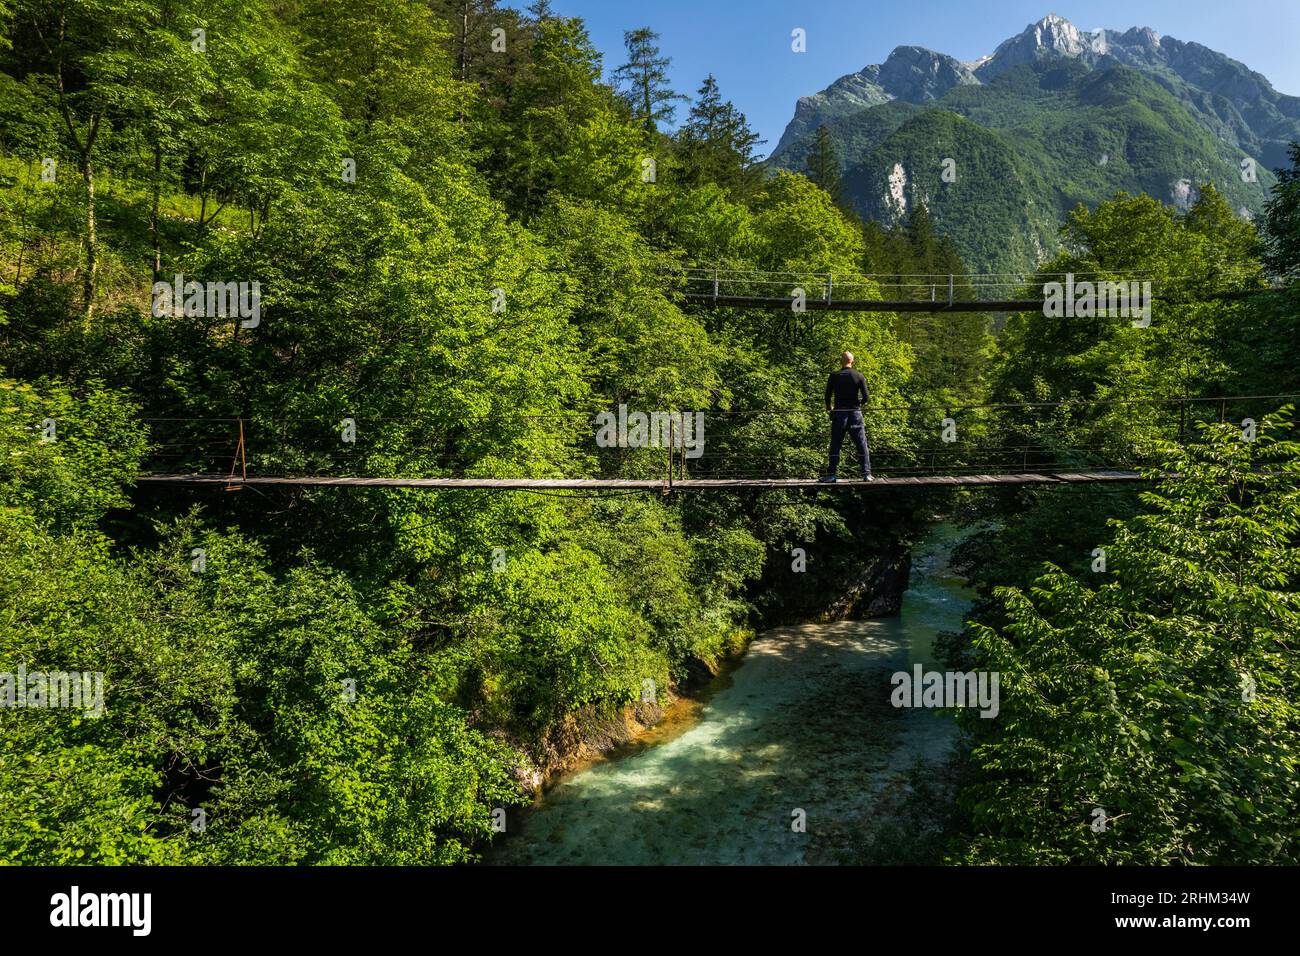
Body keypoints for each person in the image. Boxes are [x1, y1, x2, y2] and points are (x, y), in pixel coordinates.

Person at [820, 351, 873, 482]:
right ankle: (866, 474)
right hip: (855, 413)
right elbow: (866, 398)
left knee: (836, 443)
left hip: (839, 413)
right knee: (861, 443)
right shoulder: (859, 376)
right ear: (852, 362)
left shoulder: (834, 376)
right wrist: (858, 404)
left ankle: (832, 474)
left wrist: (829, 407)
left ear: (841, 362)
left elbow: (827, 395)